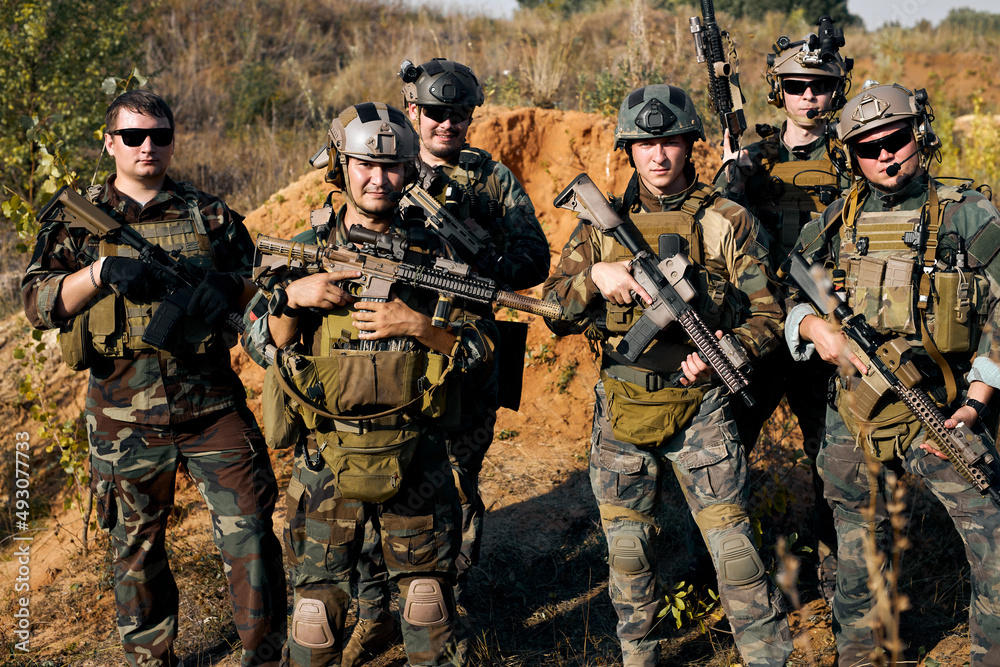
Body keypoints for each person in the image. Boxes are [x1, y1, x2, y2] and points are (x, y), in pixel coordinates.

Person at [21, 90, 286, 667]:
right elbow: (37, 303)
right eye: (135, 136)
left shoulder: (208, 214)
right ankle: (150, 659)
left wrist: (231, 287)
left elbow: (262, 287)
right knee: (136, 554)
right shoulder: (78, 221)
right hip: (122, 419)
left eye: (160, 136)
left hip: (213, 408)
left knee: (253, 538)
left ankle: (265, 654)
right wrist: (99, 272)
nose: (148, 147)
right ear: (109, 141)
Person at [542, 84, 792, 667]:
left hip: (701, 406)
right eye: (645, 144)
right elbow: (555, 310)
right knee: (628, 555)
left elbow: (770, 315)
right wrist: (596, 276)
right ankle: (639, 655)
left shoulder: (727, 221)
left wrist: (728, 349)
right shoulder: (602, 227)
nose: (658, 156)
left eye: (670, 142)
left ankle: (766, 656)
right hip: (624, 405)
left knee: (736, 552)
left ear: (690, 146)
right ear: (629, 149)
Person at [242, 102, 495, 667]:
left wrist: (420, 327)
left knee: (427, 606)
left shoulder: (441, 254)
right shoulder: (302, 250)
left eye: (392, 166)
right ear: (341, 165)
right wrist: (293, 299)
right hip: (326, 460)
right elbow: (259, 347)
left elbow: (481, 355)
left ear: (410, 171)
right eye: (363, 164)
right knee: (315, 616)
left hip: (417, 457)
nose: (378, 179)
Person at [335, 57, 551, 666]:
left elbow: (534, 258)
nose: (447, 125)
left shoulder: (491, 179)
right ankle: (375, 612)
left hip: (462, 353)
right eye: (436, 113)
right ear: (413, 114)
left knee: (453, 484)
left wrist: (471, 266)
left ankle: (444, 606)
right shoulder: (384, 170)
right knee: (378, 481)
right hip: (385, 356)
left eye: (460, 115)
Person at [786, 82, 1000, 666]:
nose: (884, 155)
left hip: (944, 410)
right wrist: (813, 328)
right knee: (858, 558)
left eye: (896, 139)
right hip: (854, 416)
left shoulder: (966, 212)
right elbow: (789, 290)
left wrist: (978, 398)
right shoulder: (838, 220)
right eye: (867, 148)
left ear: (920, 135)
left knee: (994, 546)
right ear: (851, 156)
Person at [715, 16, 855, 601]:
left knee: (834, 458)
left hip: (824, 326)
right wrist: (730, 174)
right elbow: (717, 232)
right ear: (778, 89)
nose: (808, 97)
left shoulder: (852, 158)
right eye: (797, 86)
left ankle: (836, 570)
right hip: (761, 326)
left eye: (820, 86)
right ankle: (728, 570)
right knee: (727, 451)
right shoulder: (752, 158)